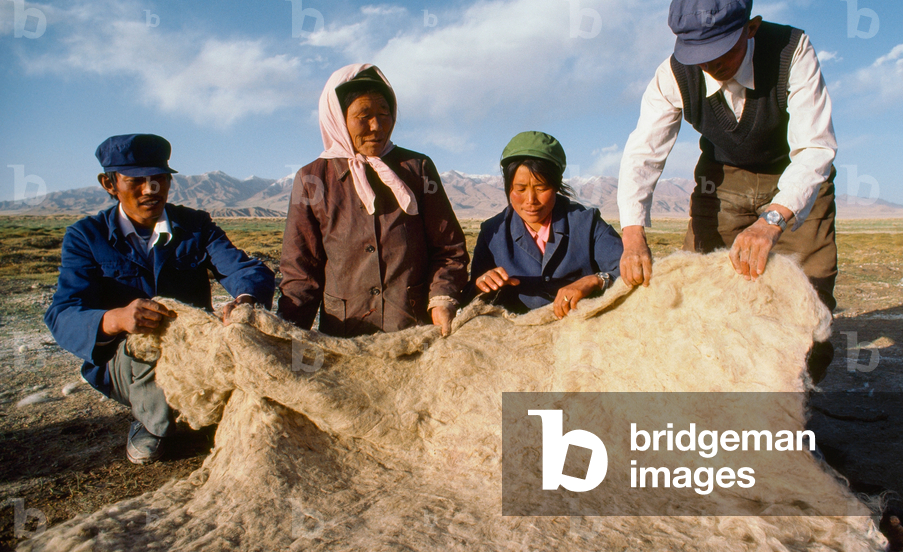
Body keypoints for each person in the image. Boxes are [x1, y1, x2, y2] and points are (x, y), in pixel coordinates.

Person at [616, 0, 838, 381]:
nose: (710, 66)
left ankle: (789, 424)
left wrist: (773, 220)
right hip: (721, 181)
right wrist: (632, 234)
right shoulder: (672, 75)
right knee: (696, 296)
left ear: (750, 29)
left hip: (794, 174)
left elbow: (814, 149)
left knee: (805, 304)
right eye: (699, 55)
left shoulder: (793, 50)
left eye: (721, 52)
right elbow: (642, 156)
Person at [45, 134, 276, 464]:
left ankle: (196, 413)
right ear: (109, 184)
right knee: (147, 350)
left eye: (159, 179)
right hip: (124, 362)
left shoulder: (195, 226)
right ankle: (152, 424)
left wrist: (246, 299)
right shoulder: (86, 236)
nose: (151, 190)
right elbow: (62, 312)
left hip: (191, 351)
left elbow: (243, 268)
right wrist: (117, 319)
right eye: (137, 181)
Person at [278, 64, 468, 337]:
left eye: (384, 114)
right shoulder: (312, 178)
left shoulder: (417, 168)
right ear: (338, 118)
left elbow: (449, 249)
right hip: (344, 337)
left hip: (412, 332)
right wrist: (287, 334)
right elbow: (301, 271)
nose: (377, 127)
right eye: (363, 116)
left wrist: (441, 298)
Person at [470, 131, 623, 317]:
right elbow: (471, 296)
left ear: (557, 186)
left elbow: (626, 270)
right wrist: (481, 286)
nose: (530, 200)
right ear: (508, 187)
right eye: (520, 189)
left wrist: (595, 280)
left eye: (541, 188)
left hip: (582, 335)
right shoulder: (491, 233)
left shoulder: (587, 222)